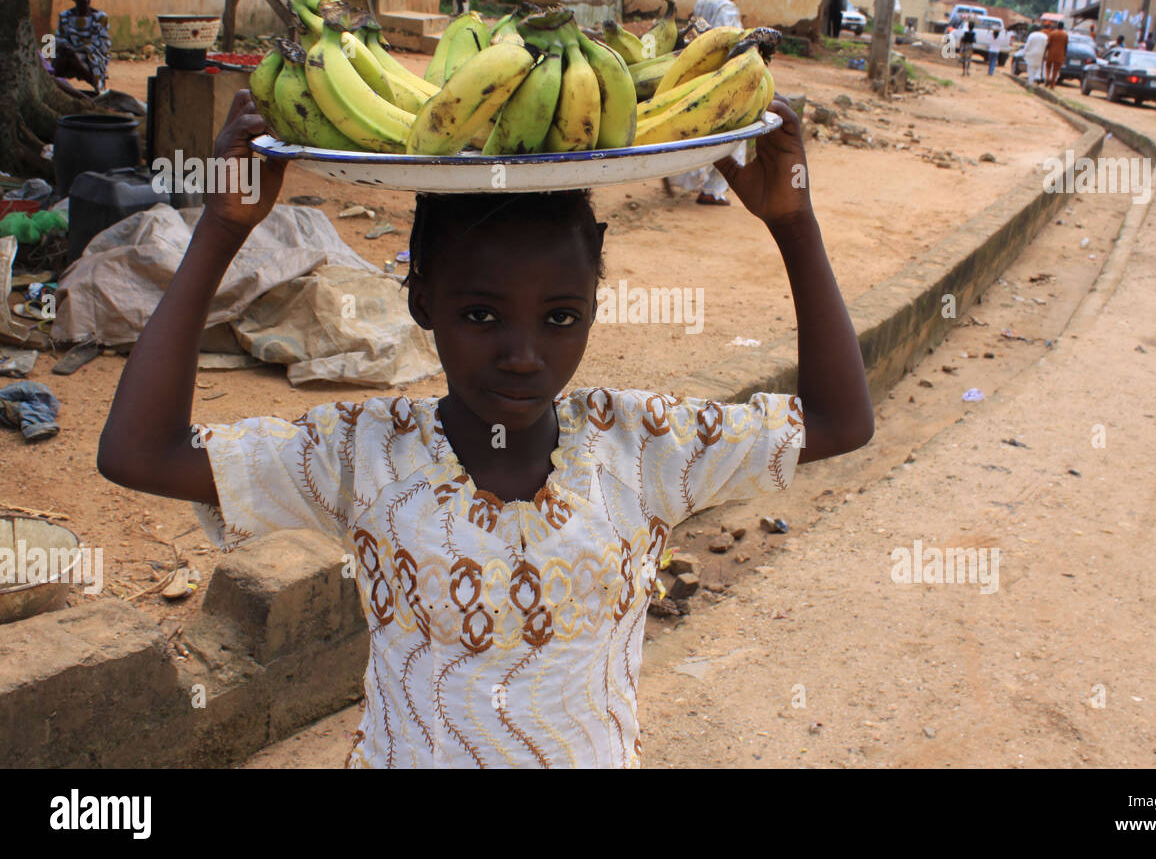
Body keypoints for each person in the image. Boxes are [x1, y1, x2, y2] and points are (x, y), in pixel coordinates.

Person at [96, 91, 875, 769]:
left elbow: (840, 421)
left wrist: (794, 222)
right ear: (421, 301)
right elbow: (139, 451)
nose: (524, 355)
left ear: (594, 307)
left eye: (561, 317)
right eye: (481, 315)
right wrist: (221, 232)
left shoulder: (642, 447)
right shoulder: (364, 453)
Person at [673, 0, 748, 205]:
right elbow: (733, 45)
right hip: (718, 78)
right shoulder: (727, 9)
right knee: (734, 133)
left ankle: (682, 176)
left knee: (694, 128)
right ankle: (713, 190)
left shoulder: (703, 0)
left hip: (695, 72)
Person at [51, 0, 110, 94]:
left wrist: (77, 50)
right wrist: (65, 47)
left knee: (74, 58)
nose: (84, 0)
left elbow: (100, 44)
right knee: (60, 59)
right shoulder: (65, 16)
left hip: (91, 55)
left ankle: (97, 89)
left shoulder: (100, 18)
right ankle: (54, 90)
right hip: (69, 53)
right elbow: (59, 38)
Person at [1044, 22, 1069, 88]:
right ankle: (1052, 84)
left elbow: (1048, 44)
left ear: (1057, 26)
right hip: (1060, 55)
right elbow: (1066, 46)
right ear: (1063, 27)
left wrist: (1045, 51)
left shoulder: (1052, 33)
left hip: (1051, 53)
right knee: (1056, 70)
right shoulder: (1065, 35)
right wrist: (1064, 55)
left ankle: (1047, 77)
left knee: (1048, 66)